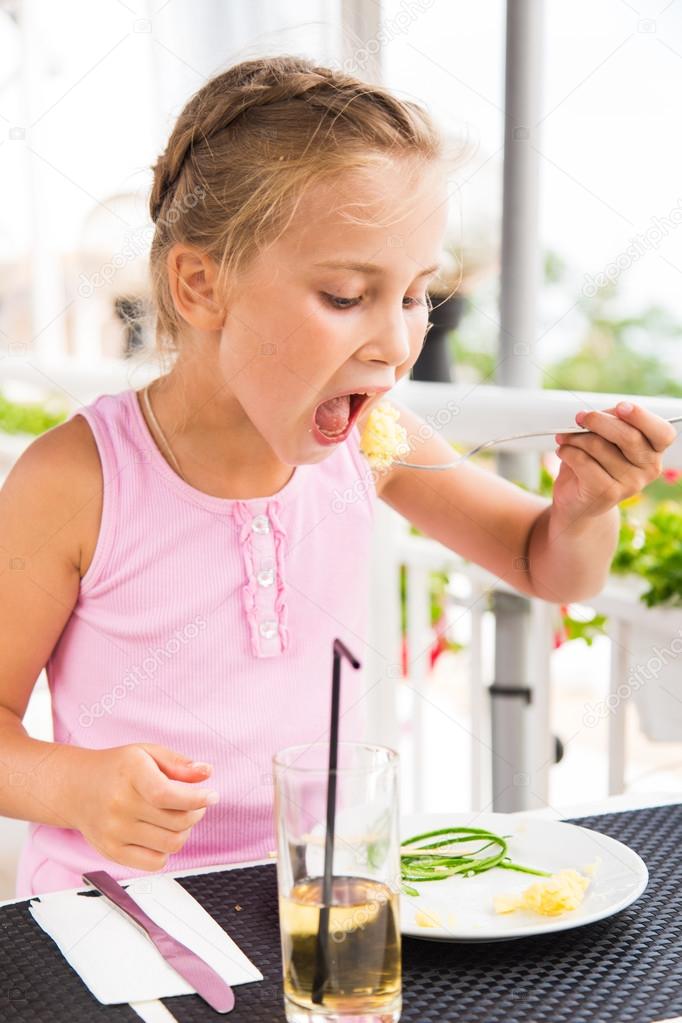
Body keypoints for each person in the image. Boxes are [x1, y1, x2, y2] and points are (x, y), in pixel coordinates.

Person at [2, 55, 676, 898]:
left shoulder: (377, 438)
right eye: (349, 294)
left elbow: (549, 566)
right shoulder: (76, 478)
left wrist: (582, 509)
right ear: (201, 283)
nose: (397, 343)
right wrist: (78, 785)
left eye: (414, 295)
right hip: (117, 915)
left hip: (324, 896)